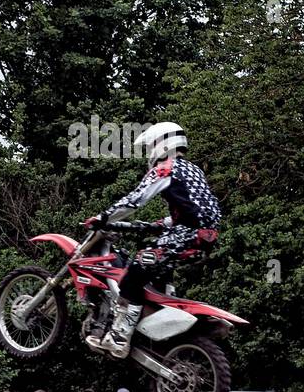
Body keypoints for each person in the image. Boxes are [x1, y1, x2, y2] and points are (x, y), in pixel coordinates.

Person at [84, 122, 222, 358]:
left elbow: (135, 199)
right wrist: (160, 224)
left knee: (136, 270)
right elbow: (196, 208)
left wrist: (103, 216)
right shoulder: (193, 170)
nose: (150, 154)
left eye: (151, 147)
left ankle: (119, 337)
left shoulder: (166, 168)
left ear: (161, 144)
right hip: (204, 237)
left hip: (186, 235)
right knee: (156, 268)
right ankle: (156, 321)